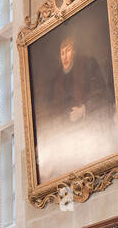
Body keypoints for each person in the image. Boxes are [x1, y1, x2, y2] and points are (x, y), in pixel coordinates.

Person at [33, 29, 117, 181]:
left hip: (90, 127)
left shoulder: (88, 64)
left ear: (75, 51)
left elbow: (103, 95)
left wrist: (84, 109)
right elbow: (52, 113)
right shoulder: (56, 81)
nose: (64, 56)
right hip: (66, 138)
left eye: (68, 50)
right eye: (62, 52)